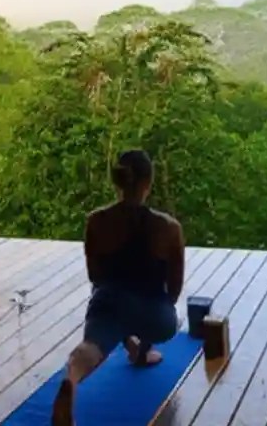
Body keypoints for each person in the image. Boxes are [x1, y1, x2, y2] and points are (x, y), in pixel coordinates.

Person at [52, 149, 184, 426]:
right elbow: (173, 290)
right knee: (164, 315)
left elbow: (95, 276)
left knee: (93, 344)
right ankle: (142, 348)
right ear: (149, 182)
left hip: (108, 302)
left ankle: (72, 378)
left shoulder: (96, 221)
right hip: (152, 314)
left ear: (118, 182)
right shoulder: (169, 227)